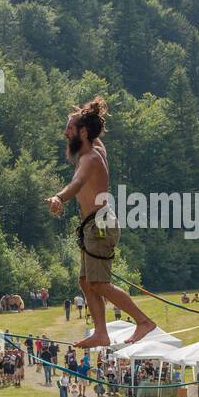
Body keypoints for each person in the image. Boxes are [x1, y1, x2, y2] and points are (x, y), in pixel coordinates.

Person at [45, 96, 155, 349]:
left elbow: (77, 183)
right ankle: (101, 333)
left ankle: (143, 321)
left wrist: (58, 197)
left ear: (83, 132)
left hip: (100, 227)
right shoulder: (95, 147)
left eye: (70, 129)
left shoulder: (90, 159)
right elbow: (88, 135)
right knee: (85, 282)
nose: (65, 133)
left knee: (99, 283)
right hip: (93, 226)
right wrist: (84, 115)